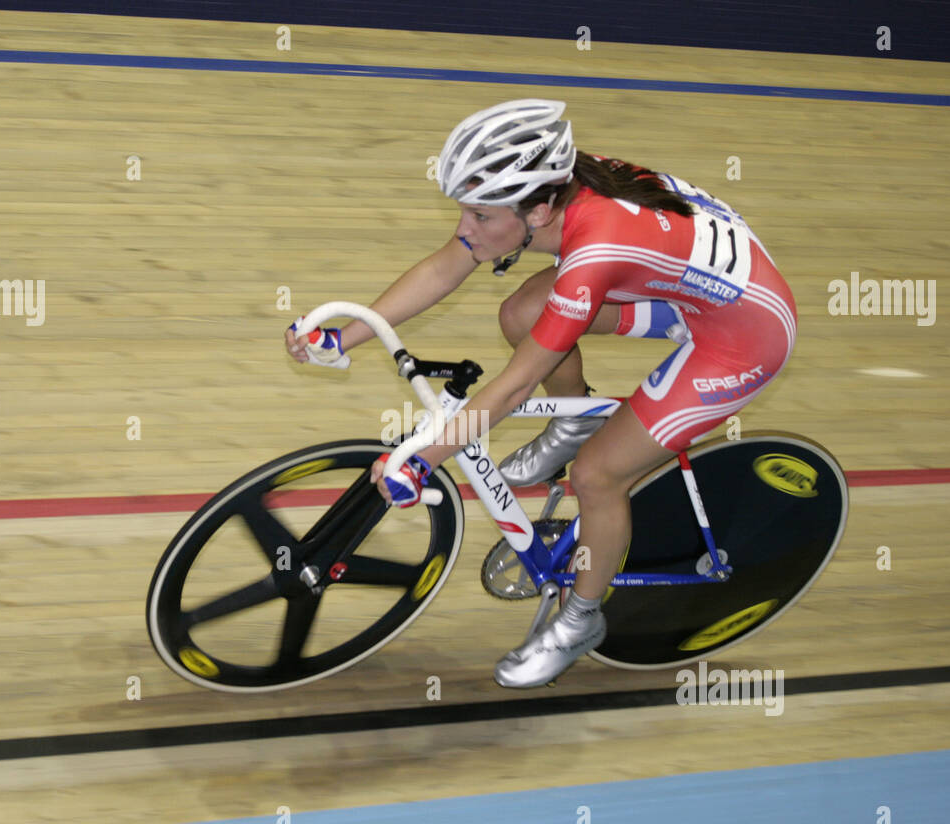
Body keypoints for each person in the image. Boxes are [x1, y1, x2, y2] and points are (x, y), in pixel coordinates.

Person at [286, 99, 797, 689]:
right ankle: (575, 420)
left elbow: (517, 384)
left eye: (480, 215)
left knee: (597, 476)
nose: (465, 229)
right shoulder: (553, 192)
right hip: (688, 290)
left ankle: (580, 620)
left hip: (743, 336)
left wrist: (424, 459)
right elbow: (445, 267)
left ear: (539, 208)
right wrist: (344, 335)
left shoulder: (594, 250)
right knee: (524, 312)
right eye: (465, 211)